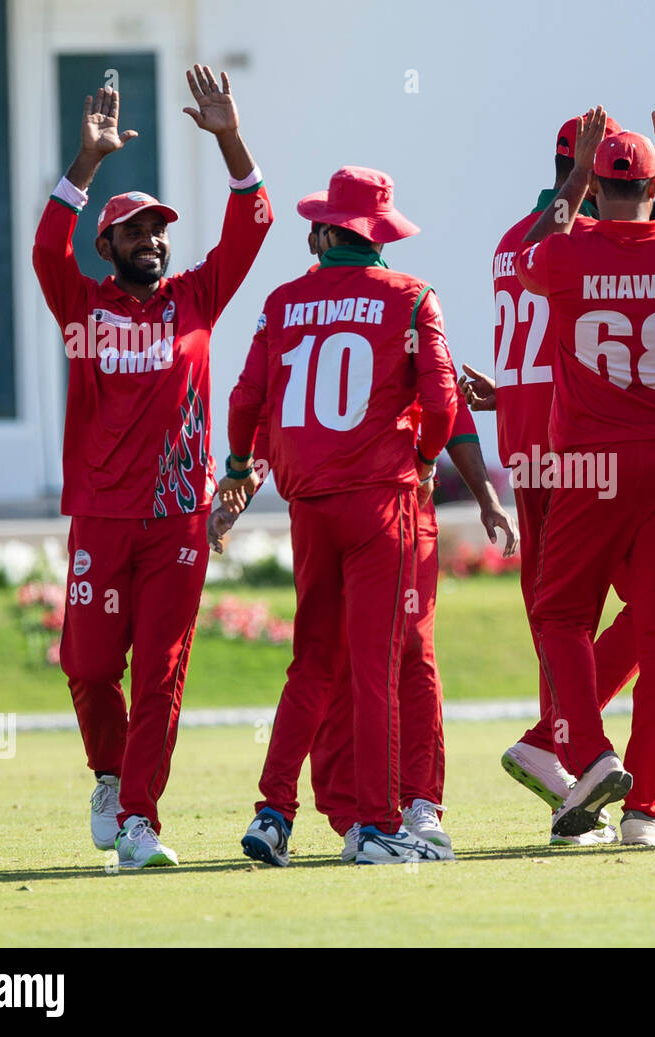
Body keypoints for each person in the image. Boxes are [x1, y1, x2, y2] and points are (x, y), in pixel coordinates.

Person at [32, 68, 272, 869]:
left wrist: (229, 136)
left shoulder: (197, 297)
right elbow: (44, 247)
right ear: (108, 247)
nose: (154, 240)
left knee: (164, 671)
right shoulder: (83, 305)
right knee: (91, 663)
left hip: (177, 517)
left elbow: (254, 222)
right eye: (137, 232)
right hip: (102, 513)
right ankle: (109, 776)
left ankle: (140, 820)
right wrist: (87, 161)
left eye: (160, 230)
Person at [517, 106, 655, 846]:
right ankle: (650, 809)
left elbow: (540, 244)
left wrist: (576, 173)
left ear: (600, 185)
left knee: (558, 613)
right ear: (654, 185)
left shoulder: (567, 254)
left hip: (594, 459)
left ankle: (587, 753)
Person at [224, 165, 459, 865]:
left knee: (311, 664)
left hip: (309, 503)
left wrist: (238, 470)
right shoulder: (413, 297)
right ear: (377, 234)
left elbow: (243, 400)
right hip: (379, 499)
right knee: (378, 666)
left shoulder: (281, 301)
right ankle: (378, 823)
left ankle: (273, 812)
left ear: (331, 232)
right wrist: (422, 459)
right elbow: (443, 405)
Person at [463, 114, 655, 845]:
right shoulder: (588, 246)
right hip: (585, 445)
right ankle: (624, 778)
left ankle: (562, 759)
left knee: (563, 622)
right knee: (651, 616)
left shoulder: (514, 242)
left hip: (529, 444)